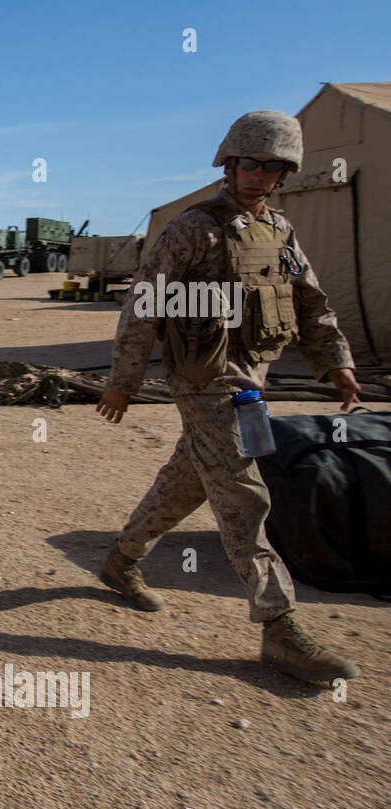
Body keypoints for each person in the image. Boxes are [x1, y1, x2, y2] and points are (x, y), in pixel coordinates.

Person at [95, 110, 361, 684]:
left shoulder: (280, 231)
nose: (255, 174)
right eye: (247, 162)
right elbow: (145, 301)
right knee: (243, 492)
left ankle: (122, 559)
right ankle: (279, 625)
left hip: (252, 375)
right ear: (228, 162)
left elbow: (310, 300)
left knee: (191, 475)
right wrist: (122, 379)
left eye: (269, 166)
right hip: (204, 378)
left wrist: (334, 359)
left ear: (284, 172)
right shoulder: (195, 227)